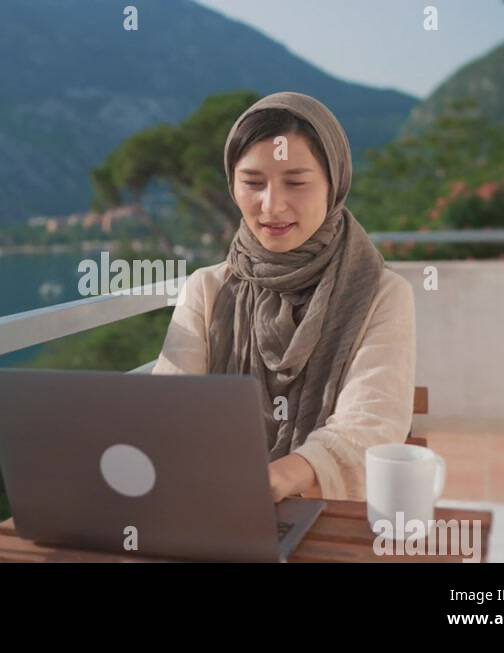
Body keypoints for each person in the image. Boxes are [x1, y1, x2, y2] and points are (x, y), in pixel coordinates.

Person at [152, 91, 416, 502]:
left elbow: (370, 425)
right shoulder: (206, 289)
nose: (272, 206)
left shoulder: (383, 294)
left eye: (296, 182)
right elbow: (169, 414)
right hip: (213, 507)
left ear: (335, 183)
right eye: (252, 183)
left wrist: (275, 480)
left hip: (325, 510)